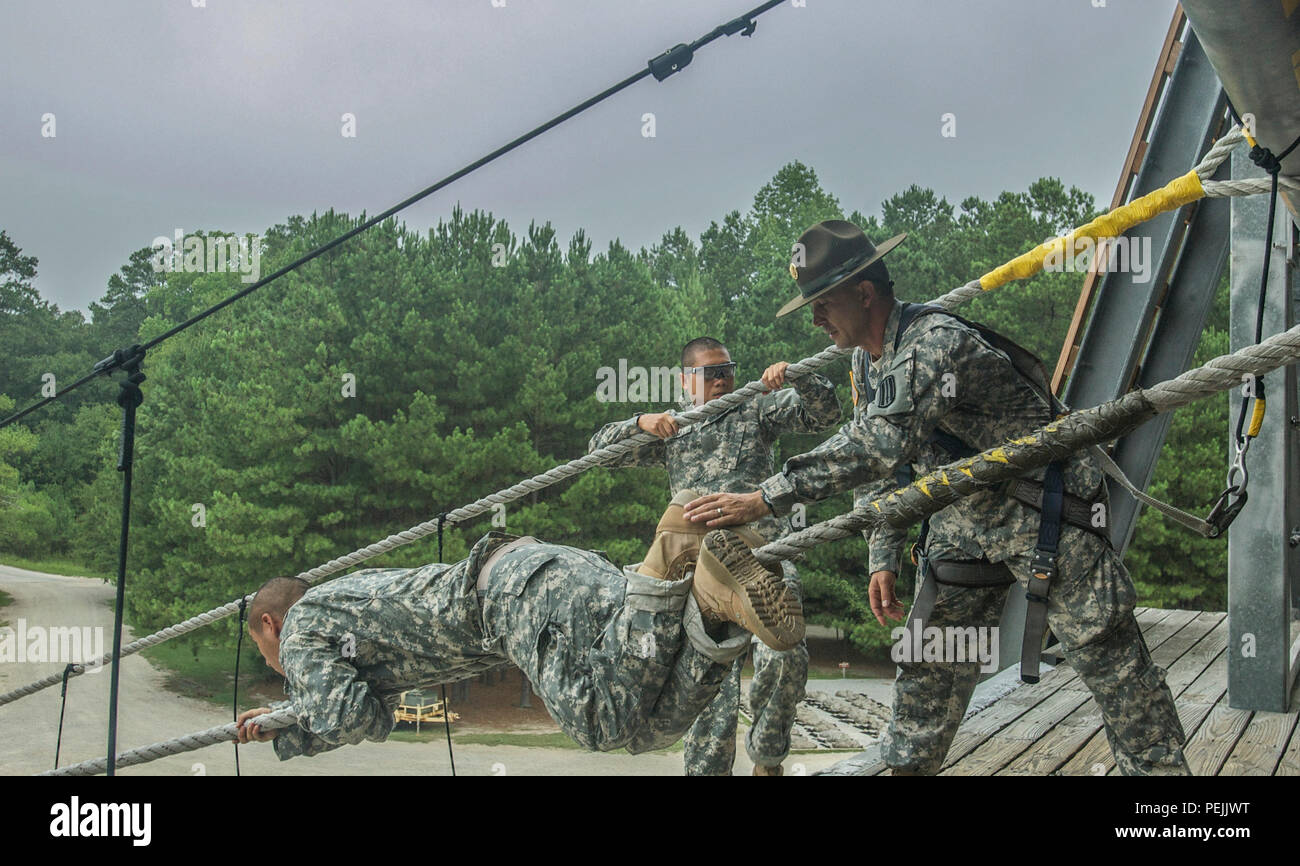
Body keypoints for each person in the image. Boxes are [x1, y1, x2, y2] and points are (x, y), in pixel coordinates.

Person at [684, 219, 1191, 776]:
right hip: (961, 524)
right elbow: (890, 471)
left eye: (824, 302)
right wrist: (883, 555)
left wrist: (766, 497)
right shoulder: (868, 360)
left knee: (1115, 669)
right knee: (928, 669)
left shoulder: (934, 346)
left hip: (1045, 517)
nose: (815, 319)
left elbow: (875, 446)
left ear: (865, 292)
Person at [235, 498, 804, 764]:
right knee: (645, 731)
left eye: (266, 652)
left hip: (511, 597)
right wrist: (284, 728)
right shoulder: (340, 604)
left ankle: (664, 561)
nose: (274, 661)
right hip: (550, 574)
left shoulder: (302, 624)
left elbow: (351, 717)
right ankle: (709, 606)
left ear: (271, 622)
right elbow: (345, 705)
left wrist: (299, 721)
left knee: (599, 724)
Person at [589, 336, 841, 776]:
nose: (723, 379)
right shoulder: (675, 426)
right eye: (711, 373)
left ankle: (768, 760)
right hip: (699, 566)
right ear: (687, 380)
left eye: (727, 370)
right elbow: (598, 453)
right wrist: (640, 421)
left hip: (760, 553)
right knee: (708, 685)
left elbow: (825, 413)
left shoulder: (755, 408)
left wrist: (799, 376)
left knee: (786, 654)